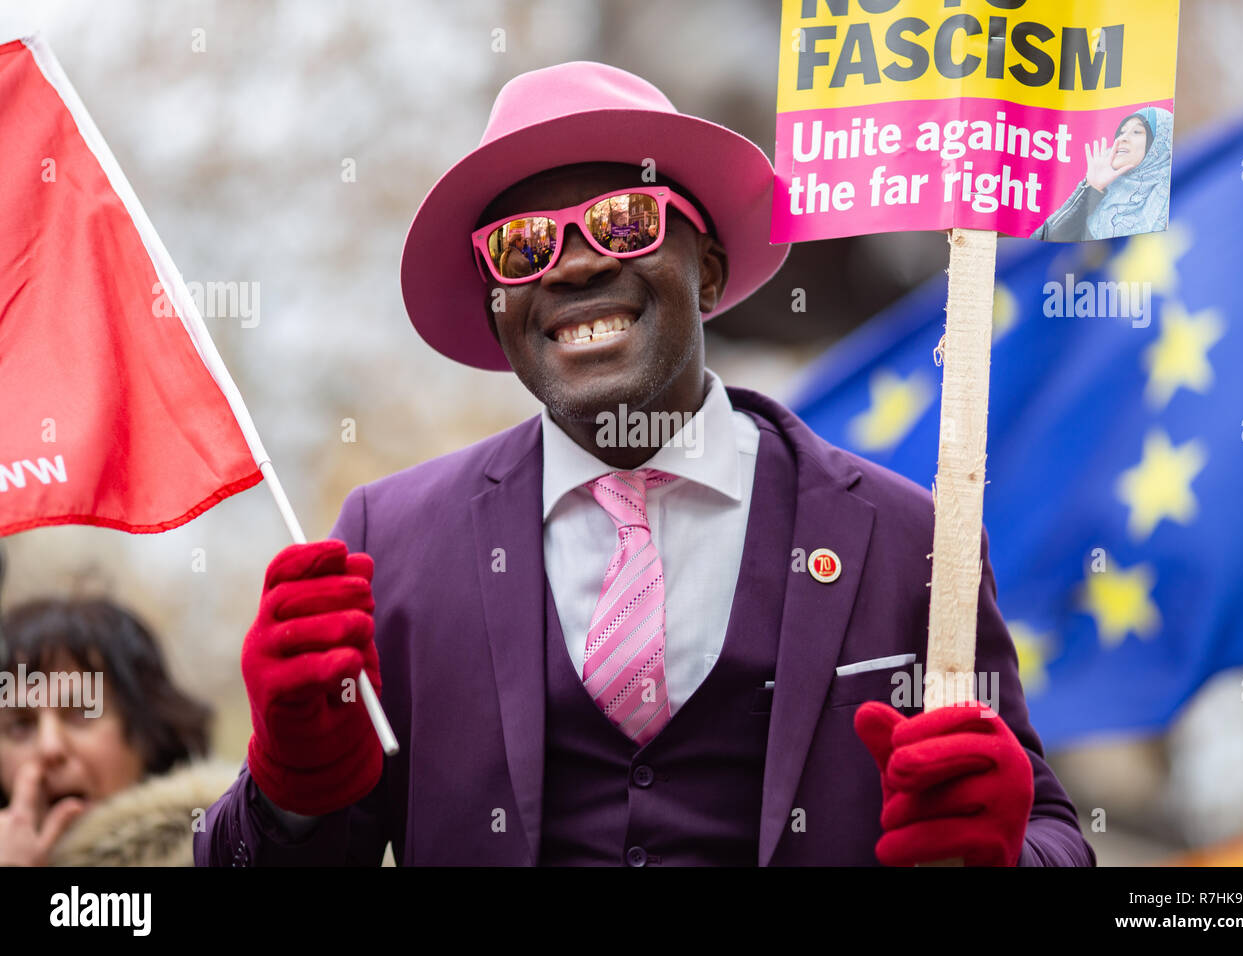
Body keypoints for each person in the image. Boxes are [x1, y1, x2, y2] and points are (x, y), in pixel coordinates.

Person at [196, 62, 1095, 867]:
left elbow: (1054, 835)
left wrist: (1010, 856)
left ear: (705, 272)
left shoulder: (907, 541)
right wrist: (289, 792)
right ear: (501, 309)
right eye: (523, 247)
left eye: (625, 223)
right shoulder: (387, 544)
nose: (576, 265)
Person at [0, 597, 235, 865]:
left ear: (149, 731)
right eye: (20, 726)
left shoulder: (228, 850)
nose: (50, 747)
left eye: (81, 713)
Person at [1033, 106, 1173, 241]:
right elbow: (1041, 242)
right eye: (1121, 132)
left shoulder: (1176, 197)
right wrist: (1090, 187)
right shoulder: (1100, 191)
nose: (1122, 138)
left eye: (1137, 132)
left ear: (1159, 143)